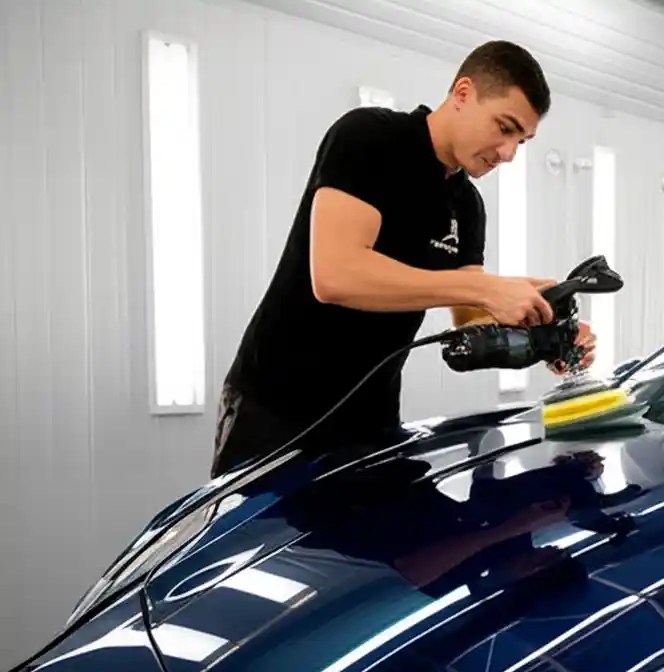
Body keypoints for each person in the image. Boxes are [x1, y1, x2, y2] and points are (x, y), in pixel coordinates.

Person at [210, 40, 595, 478]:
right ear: (463, 93)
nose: (508, 153)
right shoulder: (370, 137)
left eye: (521, 141)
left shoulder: (467, 206)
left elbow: (467, 317)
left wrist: (544, 329)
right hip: (276, 408)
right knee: (252, 543)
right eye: (504, 128)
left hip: (371, 420)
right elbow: (335, 275)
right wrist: (486, 287)